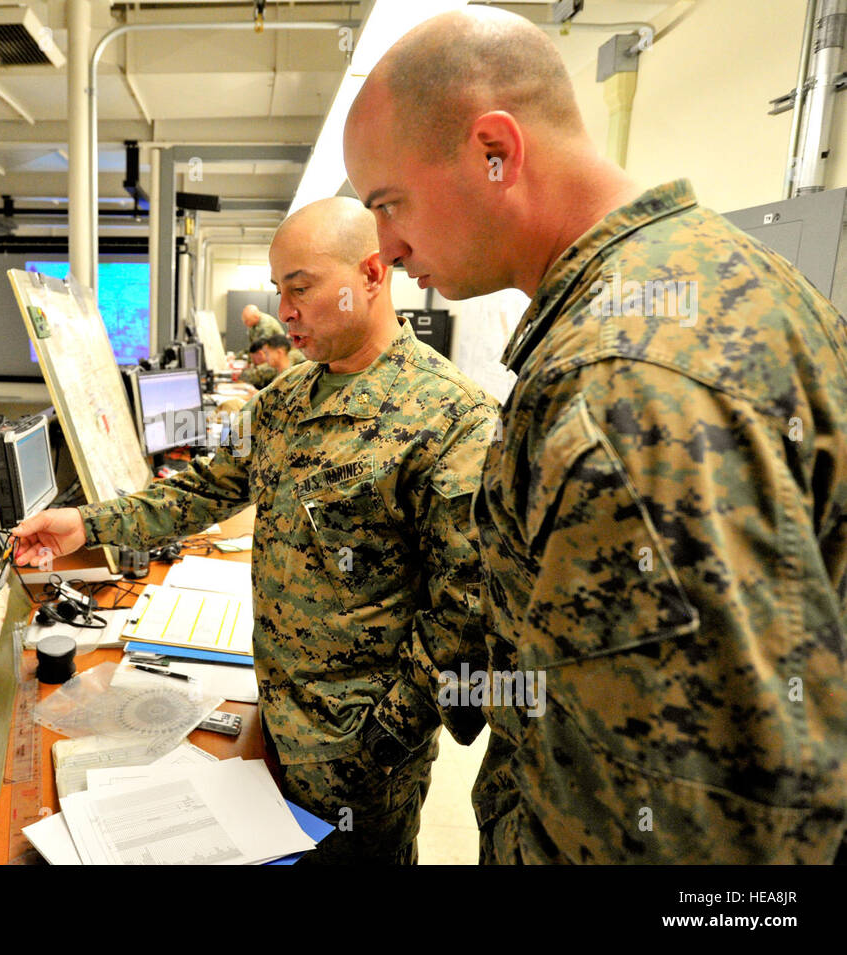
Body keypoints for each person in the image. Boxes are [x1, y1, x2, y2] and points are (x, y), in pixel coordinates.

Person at [344, 5, 847, 863]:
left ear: (494, 151)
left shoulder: (619, 381)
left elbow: (701, 838)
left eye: (390, 204)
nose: (385, 248)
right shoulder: (713, 277)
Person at [13, 196, 497, 863]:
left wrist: (383, 738)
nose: (285, 310)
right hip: (273, 722)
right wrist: (85, 524)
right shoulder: (283, 402)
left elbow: (466, 613)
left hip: (362, 762)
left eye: (301, 288)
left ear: (372, 275)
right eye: (280, 290)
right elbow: (200, 489)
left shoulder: (453, 418)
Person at [242, 332, 306, 389]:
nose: (265, 358)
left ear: (279, 352)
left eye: (267, 353)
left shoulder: (290, 377)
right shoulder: (281, 371)